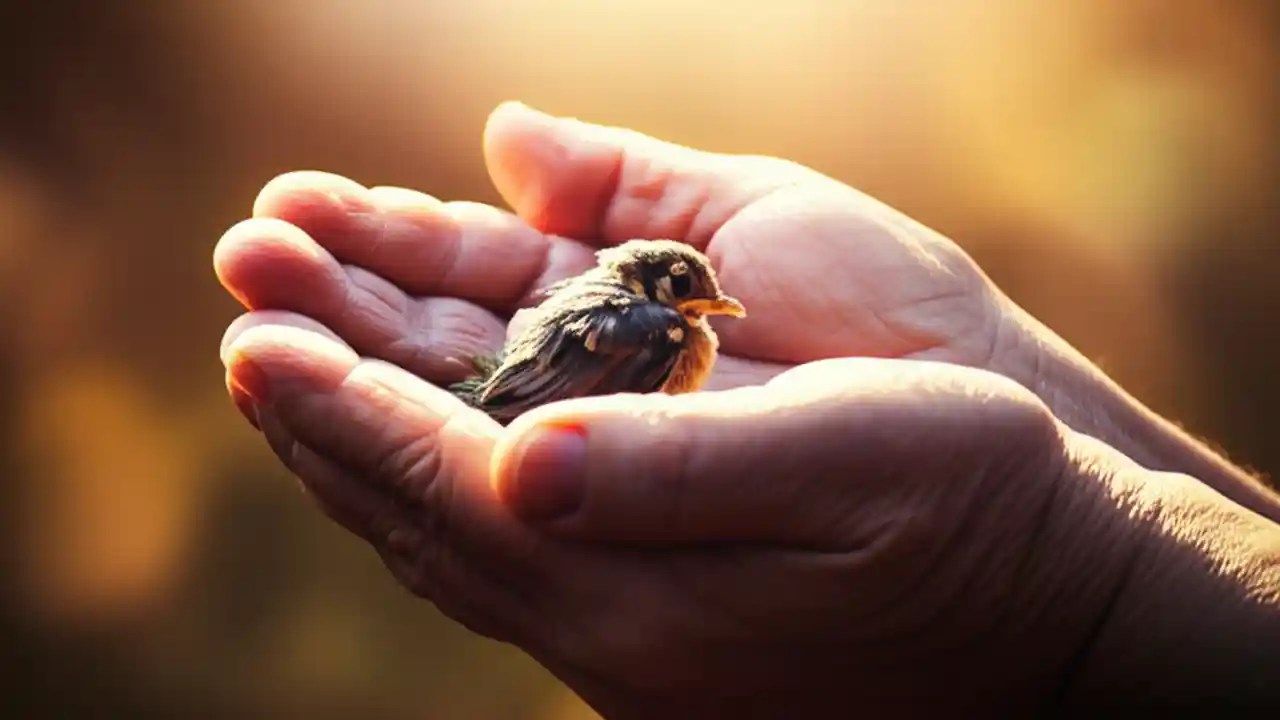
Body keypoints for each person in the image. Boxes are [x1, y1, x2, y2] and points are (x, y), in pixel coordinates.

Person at [213, 102, 1280, 716]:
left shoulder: (648, 320)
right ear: (658, 289)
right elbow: (541, 384)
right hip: (514, 391)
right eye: (692, 298)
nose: (706, 315)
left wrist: (1079, 566)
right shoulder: (651, 335)